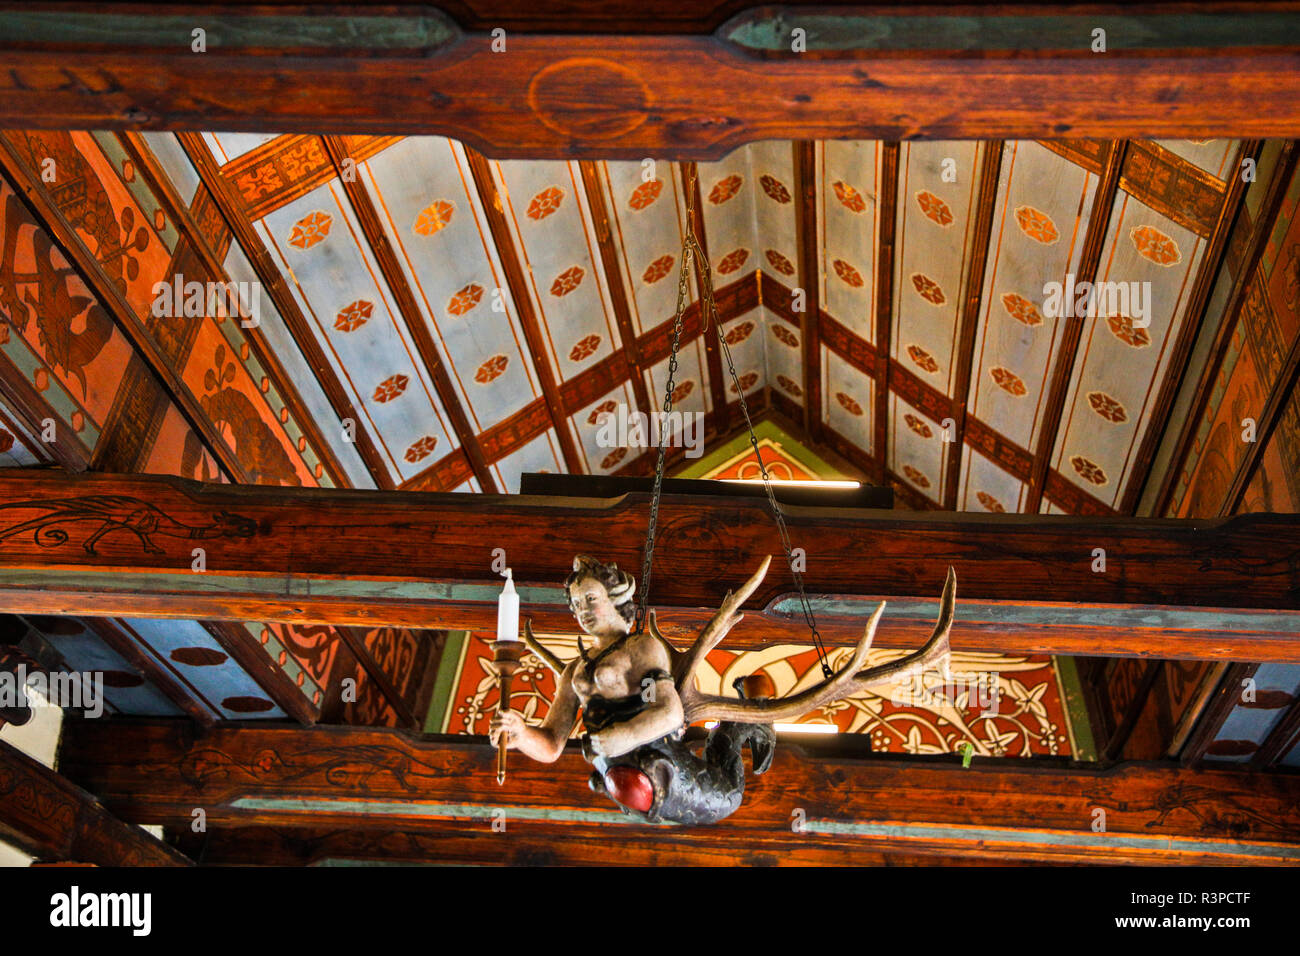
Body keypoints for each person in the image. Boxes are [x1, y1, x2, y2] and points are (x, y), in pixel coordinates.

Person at [489, 555, 773, 825]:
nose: (583, 610)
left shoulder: (640, 649)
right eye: (576, 603)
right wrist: (521, 734)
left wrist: (625, 735)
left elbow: (669, 712)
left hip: (675, 777)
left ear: (615, 597)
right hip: (629, 779)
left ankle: (753, 712)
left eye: (591, 599)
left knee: (729, 794)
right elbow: (551, 744)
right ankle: (752, 708)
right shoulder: (574, 671)